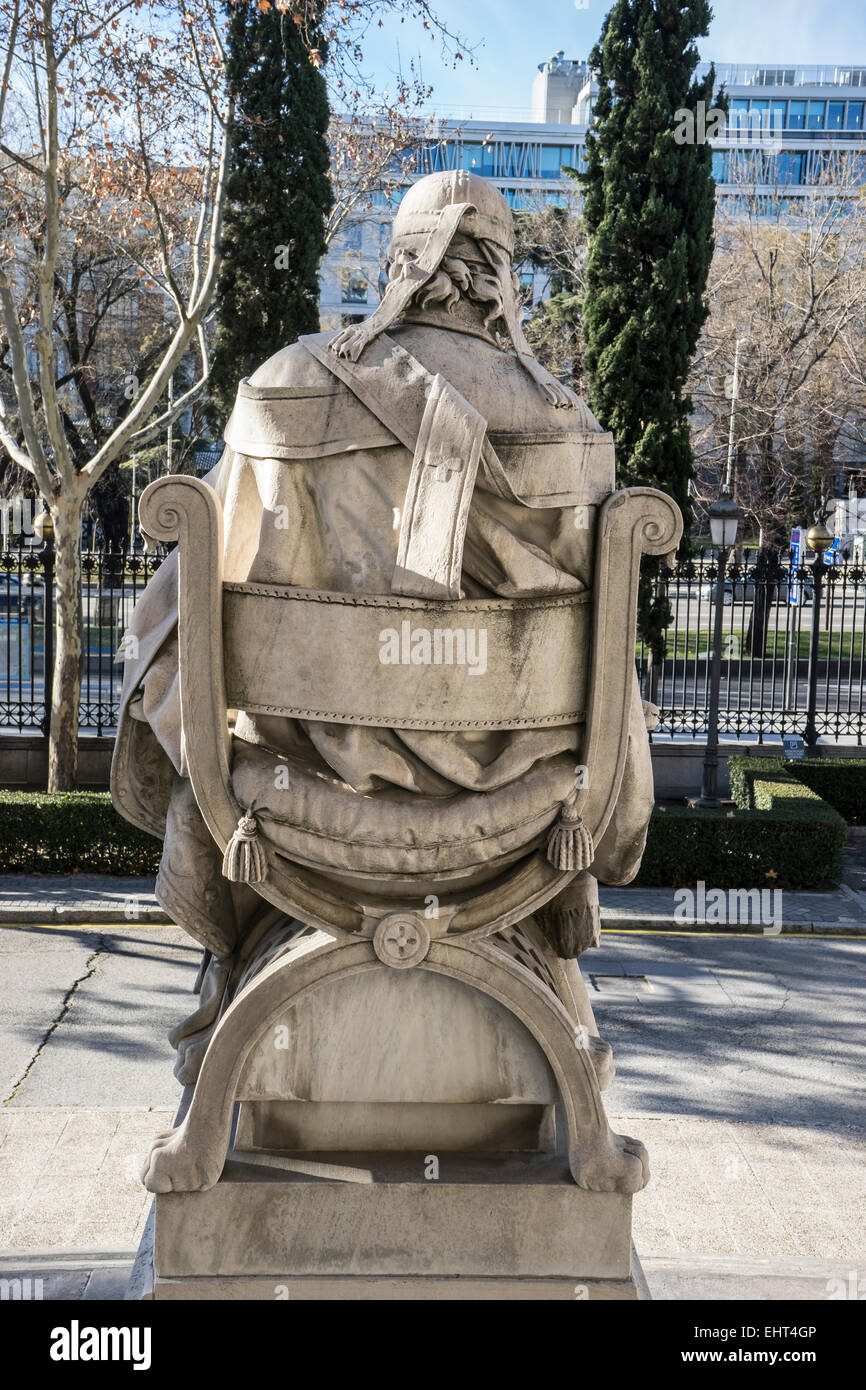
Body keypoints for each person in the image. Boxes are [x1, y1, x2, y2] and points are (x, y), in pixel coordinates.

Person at [111, 171, 655, 1081]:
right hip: (516, 822)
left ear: (400, 262)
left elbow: (179, 632)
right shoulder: (571, 429)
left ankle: (230, 999)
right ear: (502, 277)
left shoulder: (287, 386)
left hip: (298, 809)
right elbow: (610, 693)